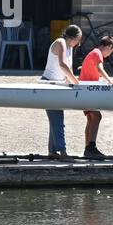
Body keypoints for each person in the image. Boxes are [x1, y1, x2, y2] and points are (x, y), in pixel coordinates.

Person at [42, 23, 82, 160]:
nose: (79, 43)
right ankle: (63, 152)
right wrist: (76, 83)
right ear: (74, 37)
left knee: (56, 119)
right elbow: (62, 64)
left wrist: (70, 81)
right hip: (48, 84)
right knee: (57, 119)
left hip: (57, 85)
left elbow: (66, 71)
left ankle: (52, 152)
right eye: (79, 39)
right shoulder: (60, 42)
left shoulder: (70, 47)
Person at [79, 34, 113, 161]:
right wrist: (110, 81)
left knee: (91, 118)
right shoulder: (97, 54)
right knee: (96, 116)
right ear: (109, 46)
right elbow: (99, 68)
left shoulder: (93, 52)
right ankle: (91, 147)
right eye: (111, 51)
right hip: (87, 92)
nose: (110, 54)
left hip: (85, 91)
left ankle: (87, 148)